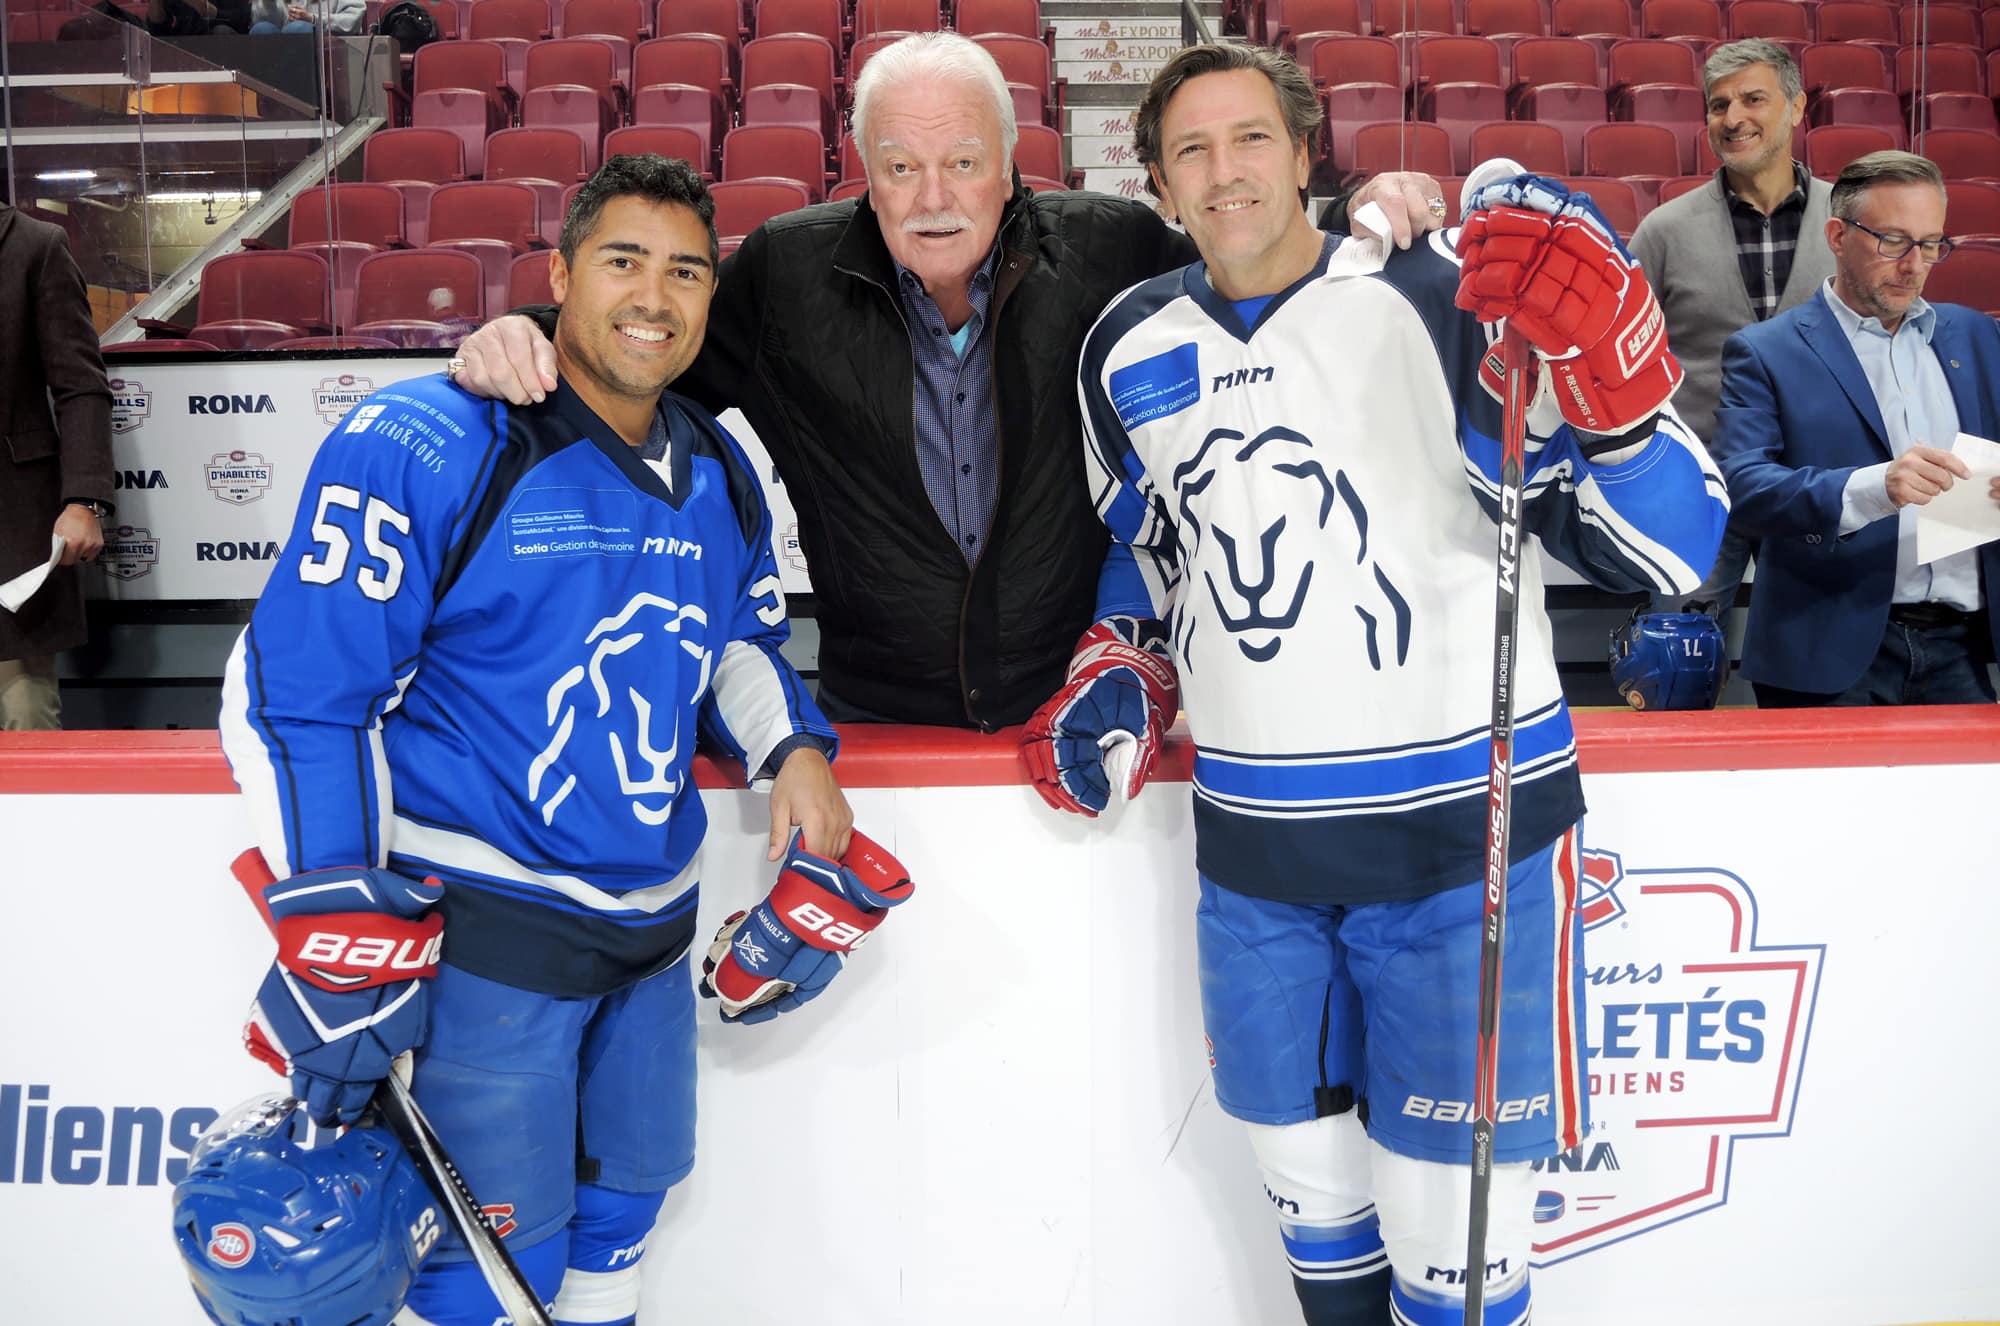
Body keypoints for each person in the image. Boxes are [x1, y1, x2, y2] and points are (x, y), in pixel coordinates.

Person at [1021, 44, 1726, 1326]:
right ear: (1158, 187)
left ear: (1305, 153)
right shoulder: (1122, 346)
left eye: (1250, 138)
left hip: (1459, 852)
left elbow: (1671, 555)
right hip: (1254, 867)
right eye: (1189, 150)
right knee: (1317, 1221)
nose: (1223, 171)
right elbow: (1147, 548)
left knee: (1456, 1261)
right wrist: (1122, 656)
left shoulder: (1436, 290)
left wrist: (1618, 403)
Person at [214, 156, 887, 1326]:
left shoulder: (719, 464)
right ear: (561, 275)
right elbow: (296, 691)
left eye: (685, 272)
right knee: (478, 1274)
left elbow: (734, 644)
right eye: (623, 261)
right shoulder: (426, 437)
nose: (654, 296)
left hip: (650, 934)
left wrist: (794, 750)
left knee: (620, 1221)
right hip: (482, 939)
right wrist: (338, 912)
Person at [448, 31, 1445, 730]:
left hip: (1077, 714)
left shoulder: (1112, 246)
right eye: (900, 167)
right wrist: (527, 332)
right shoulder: (787, 273)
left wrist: (1362, 214)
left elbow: (1251, 263)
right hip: (871, 723)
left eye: (963, 162)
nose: (933, 197)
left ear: (1010, 168)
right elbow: (645, 350)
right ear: (862, 174)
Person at [1712, 150, 2000, 707]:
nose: (1914, 265)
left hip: (1964, 650)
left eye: (1931, 244)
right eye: (1893, 241)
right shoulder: (1766, 351)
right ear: (1838, 236)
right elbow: (1740, 487)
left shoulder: (1977, 336)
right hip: (1826, 651)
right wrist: (1874, 487)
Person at [1630, 39, 1833, 624]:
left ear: (1797, 108)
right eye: (1719, 106)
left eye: (1753, 99)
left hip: (1815, 479)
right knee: (1677, 655)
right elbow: (1623, 360)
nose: (1733, 118)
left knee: (1814, 652)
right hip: (1698, 486)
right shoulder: (1664, 231)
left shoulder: (1849, 222)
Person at [0, 203, 112, 731]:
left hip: (10, 527)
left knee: (23, 712)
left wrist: (84, 500)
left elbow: (81, 386)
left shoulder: (35, 245)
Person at [247, 0, 360, 31]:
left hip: (327, 46)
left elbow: (353, 19)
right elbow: (258, 22)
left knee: (299, 28)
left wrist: (313, 19)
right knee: (261, 28)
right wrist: (268, 4)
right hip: (280, 45)